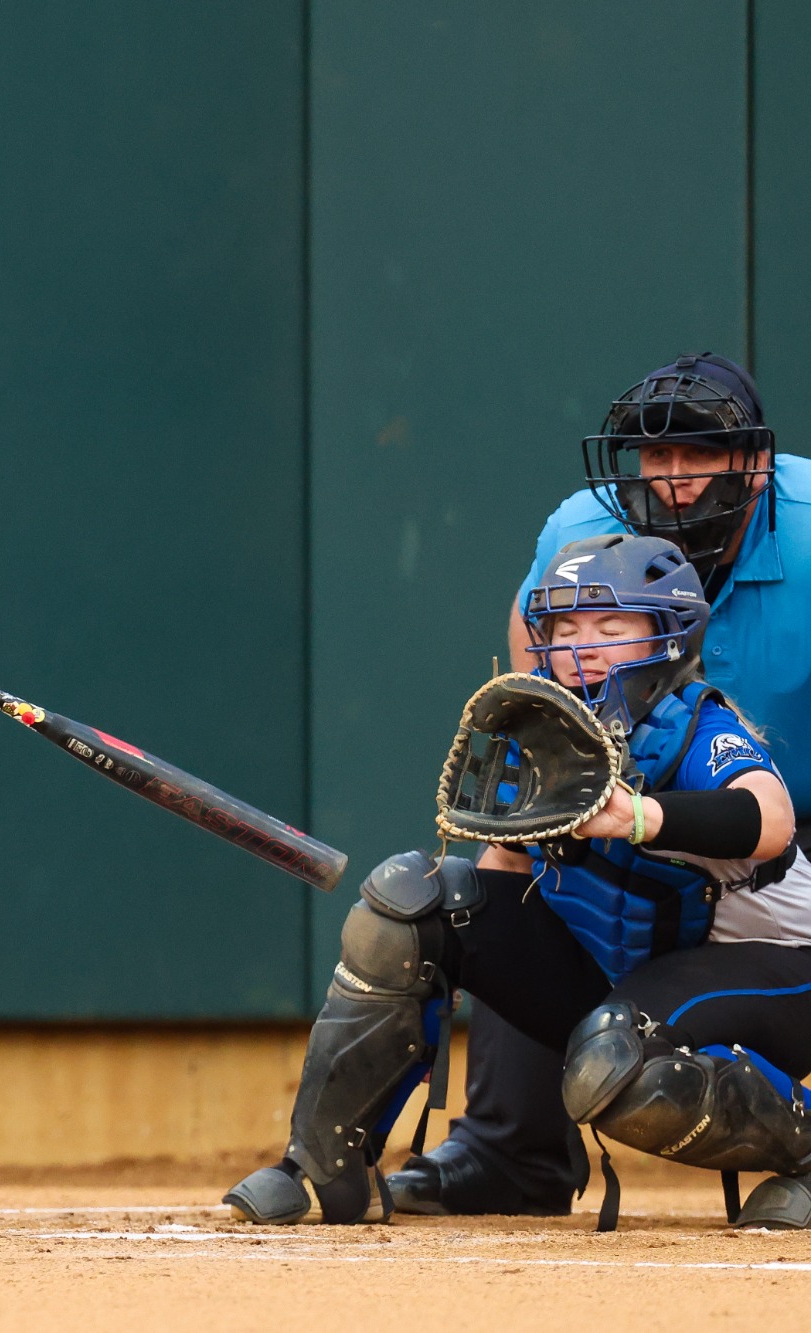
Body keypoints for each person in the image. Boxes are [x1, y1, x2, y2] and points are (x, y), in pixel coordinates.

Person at [224, 534, 811, 1230]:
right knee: (412, 902)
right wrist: (434, 941)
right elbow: (502, 885)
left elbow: (771, 818)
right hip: (634, 972)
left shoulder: (692, 726)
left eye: (611, 627)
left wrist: (635, 816)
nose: (581, 647)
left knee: (615, 1058)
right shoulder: (546, 737)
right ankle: (323, 1164)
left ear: (667, 636)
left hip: (785, 974)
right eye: (565, 629)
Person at [392, 352, 811, 1216]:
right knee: (535, 883)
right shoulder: (585, 529)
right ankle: (513, 1152)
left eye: (702, 454)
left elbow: (766, 820)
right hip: (646, 787)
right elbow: (535, 658)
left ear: (756, 463)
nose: (677, 478)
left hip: (776, 795)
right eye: (658, 458)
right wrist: (544, 813)